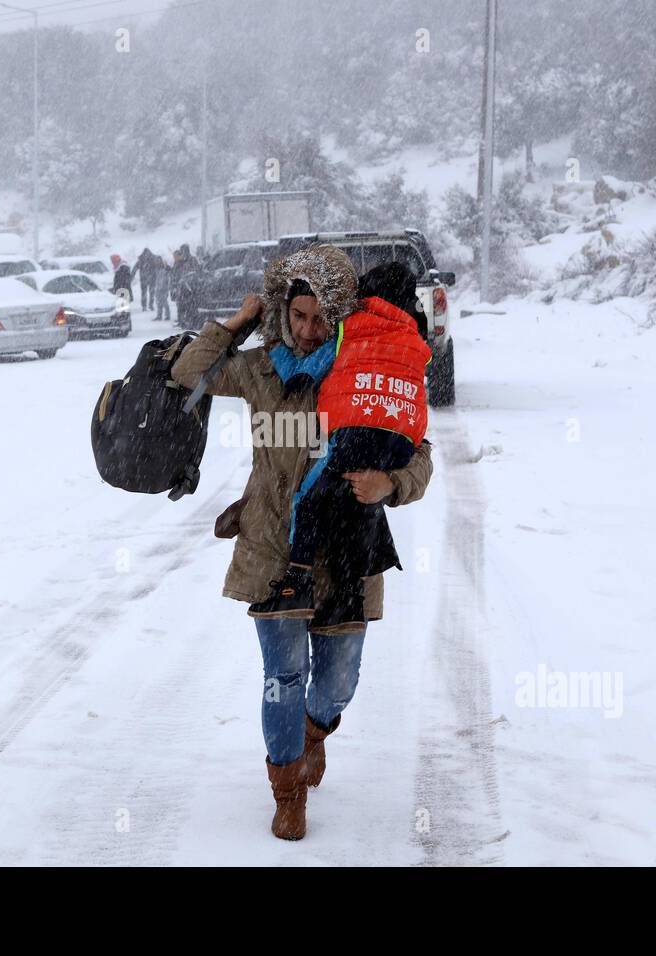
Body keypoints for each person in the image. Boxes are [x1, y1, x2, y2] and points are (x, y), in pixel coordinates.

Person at [170, 244, 433, 841]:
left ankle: (315, 731)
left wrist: (389, 482)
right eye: (298, 317)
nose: (308, 331)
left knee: (338, 681)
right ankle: (287, 792)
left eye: (320, 319)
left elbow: (420, 453)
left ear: (338, 316)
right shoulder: (261, 368)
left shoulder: (363, 366)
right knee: (281, 675)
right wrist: (235, 324)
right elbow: (189, 372)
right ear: (283, 315)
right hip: (271, 549)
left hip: (348, 552)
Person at [248, 262, 430, 627]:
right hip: (399, 441)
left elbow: (302, 373)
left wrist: (273, 346)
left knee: (311, 497)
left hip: (353, 434)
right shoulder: (414, 336)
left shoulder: (350, 330)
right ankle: (349, 595)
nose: (307, 329)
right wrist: (390, 474)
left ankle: (297, 579)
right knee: (357, 503)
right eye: (298, 316)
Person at [131, 247, 159, 312]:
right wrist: (131, 277)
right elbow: (134, 269)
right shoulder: (143, 260)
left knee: (148, 293)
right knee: (147, 293)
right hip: (148, 279)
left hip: (148, 279)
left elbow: (134, 269)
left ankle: (148, 306)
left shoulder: (143, 260)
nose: (146, 256)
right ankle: (146, 306)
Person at [154, 253, 172, 322]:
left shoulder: (165, 268)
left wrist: (167, 266)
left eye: (158, 260)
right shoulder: (156, 268)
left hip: (164, 288)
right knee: (158, 302)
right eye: (156, 260)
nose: (157, 262)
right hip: (158, 287)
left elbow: (170, 272)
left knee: (164, 302)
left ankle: (167, 315)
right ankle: (159, 315)